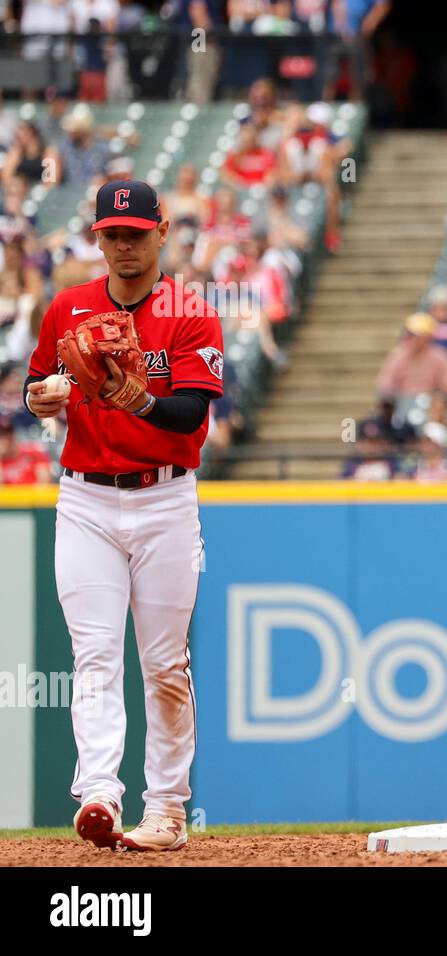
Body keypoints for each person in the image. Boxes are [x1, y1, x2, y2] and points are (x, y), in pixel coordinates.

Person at [23, 179, 224, 851]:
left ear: (162, 232)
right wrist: (43, 397)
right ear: (97, 238)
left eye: (136, 233)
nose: (124, 246)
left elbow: (190, 415)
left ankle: (167, 808)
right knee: (95, 654)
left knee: (165, 662)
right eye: (112, 235)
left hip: (166, 496)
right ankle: (101, 794)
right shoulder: (68, 308)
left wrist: (128, 396)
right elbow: (34, 383)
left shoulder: (190, 312)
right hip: (85, 497)